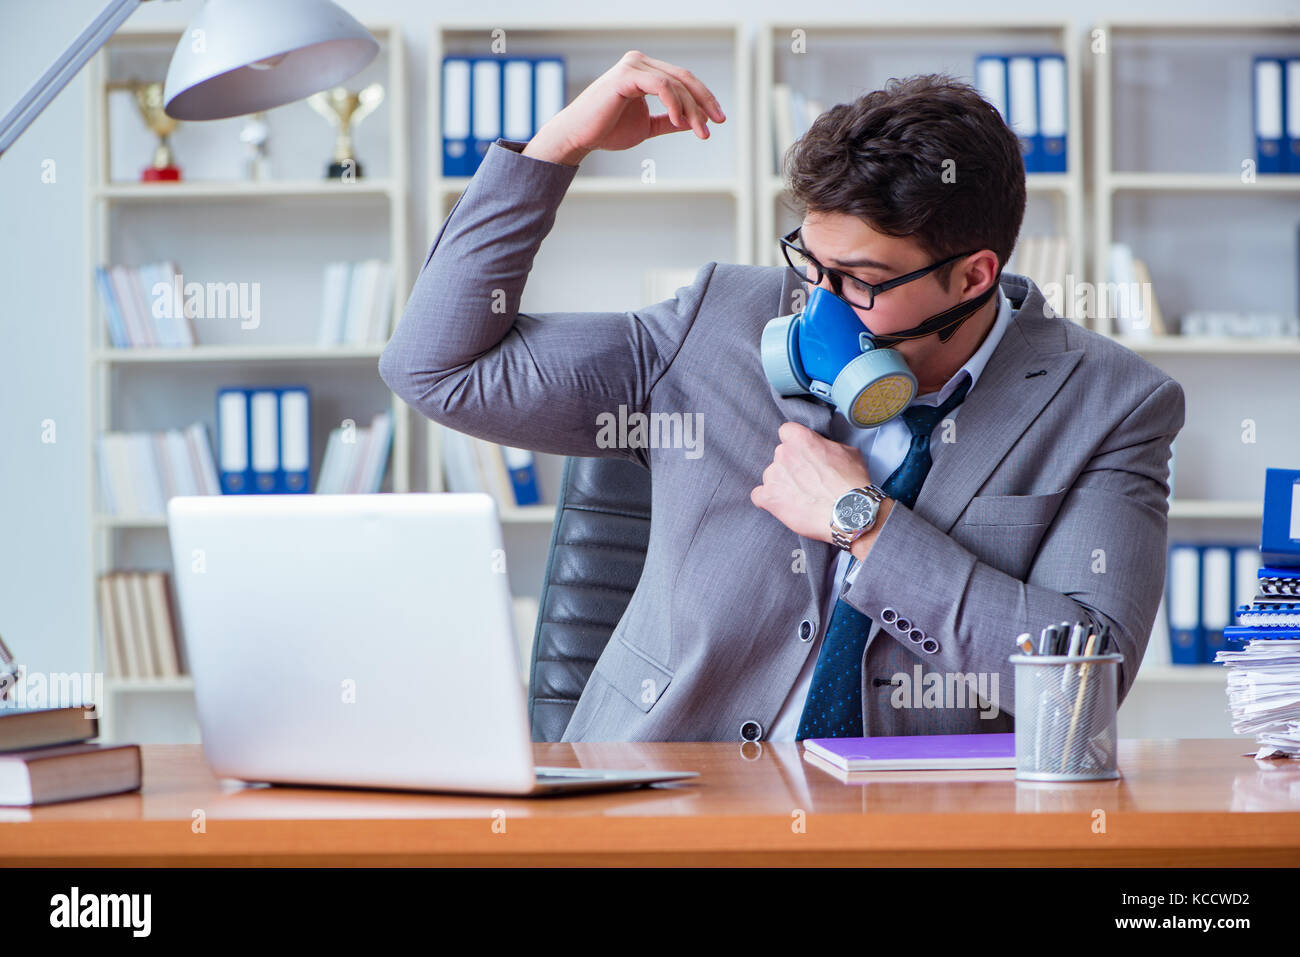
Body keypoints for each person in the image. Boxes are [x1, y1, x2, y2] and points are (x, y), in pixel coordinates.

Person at [379, 51, 1185, 742]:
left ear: (974, 275)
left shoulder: (1109, 403)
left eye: (861, 281)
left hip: (907, 822)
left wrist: (868, 525)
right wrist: (556, 149)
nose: (820, 304)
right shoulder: (722, 320)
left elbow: (1085, 684)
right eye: (811, 263)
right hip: (659, 792)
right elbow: (437, 369)